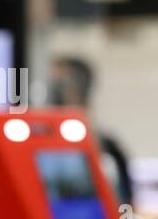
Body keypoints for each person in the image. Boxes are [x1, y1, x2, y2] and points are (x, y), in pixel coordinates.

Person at [47, 56, 134, 208]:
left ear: (72, 93)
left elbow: (122, 214)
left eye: (56, 89)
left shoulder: (107, 151)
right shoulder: (40, 146)